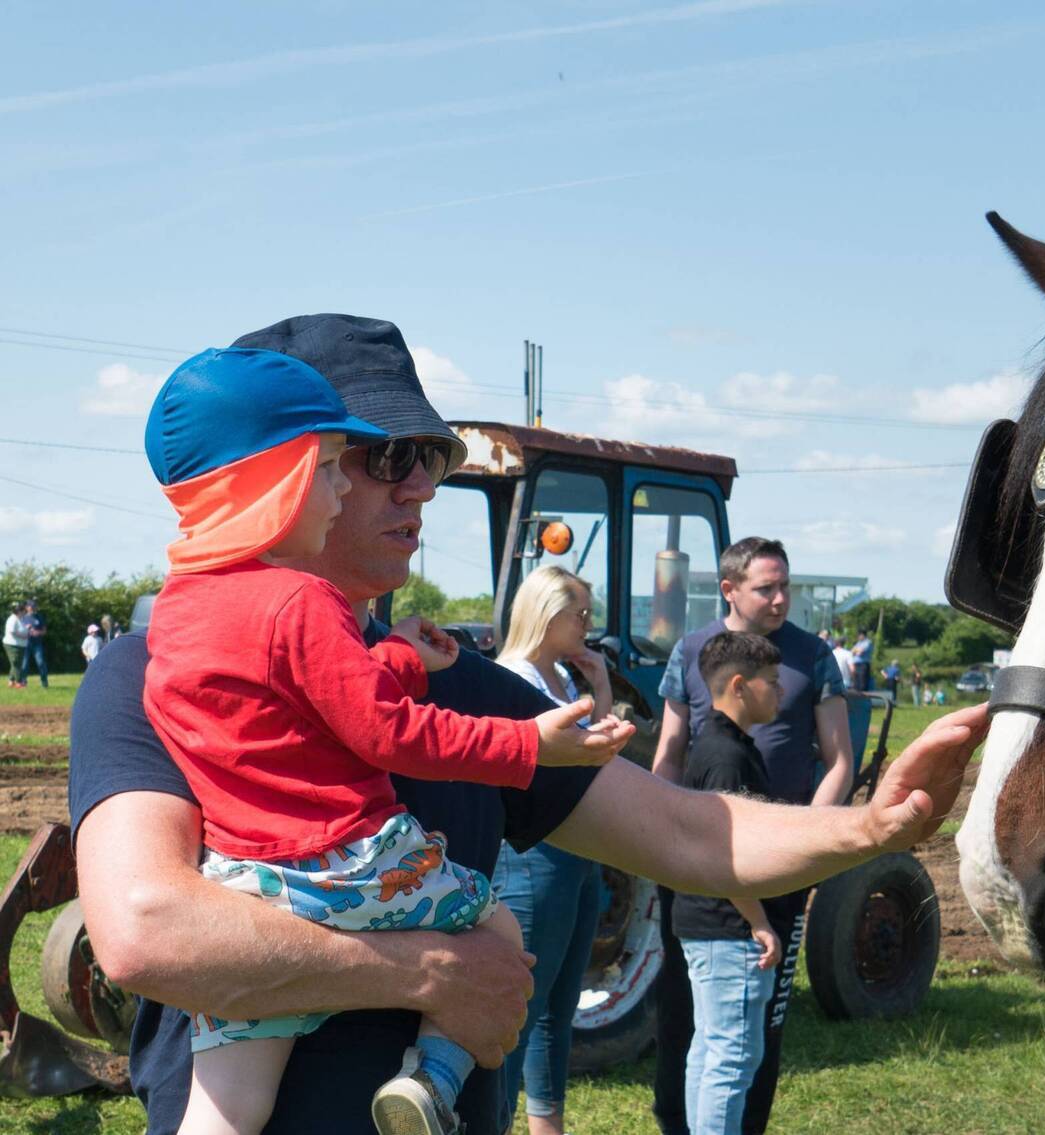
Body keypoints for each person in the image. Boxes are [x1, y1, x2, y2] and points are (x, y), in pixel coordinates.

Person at [69, 312, 987, 1135]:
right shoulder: (159, 673)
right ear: (286, 473)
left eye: (431, 457)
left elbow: (687, 831)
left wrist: (872, 824)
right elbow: (147, 929)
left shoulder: (464, 685)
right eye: (386, 454)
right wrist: (433, 973)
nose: (418, 487)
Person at [139, 346, 629, 1135]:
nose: (342, 486)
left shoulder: (177, 611)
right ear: (276, 479)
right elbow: (382, 730)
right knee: (497, 931)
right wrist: (529, 743)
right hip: (356, 865)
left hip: (247, 891)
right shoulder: (302, 599)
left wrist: (397, 655)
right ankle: (429, 1082)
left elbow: (306, 707)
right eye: (331, 466)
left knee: (226, 1103)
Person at [650, 537, 852, 1135]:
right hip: (698, 861)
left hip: (776, 865)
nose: (781, 598)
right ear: (729, 589)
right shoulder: (690, 652)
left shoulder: (814, 657)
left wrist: (807, 844)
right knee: (688, 1013)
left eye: (785, 585)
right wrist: (656, 842)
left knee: (757, 1020)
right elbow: (667, 753)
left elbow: (838, 760)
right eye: (767, 587)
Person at [491, 564, 612, 1135]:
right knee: (520, 1012)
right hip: (534, 861)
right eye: (580, 613)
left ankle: (547, 1126)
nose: (588, 624)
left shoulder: (561, 676)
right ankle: (496, 1119)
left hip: (574, 858)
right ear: (546, 613)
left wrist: (601, 690)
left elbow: (595, 764)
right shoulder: (514, 677)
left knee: (558, 1010)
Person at [674, 632, 786, 1135]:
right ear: (741, 686)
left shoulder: (720, 743)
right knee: (732, 1058)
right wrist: (759, 920)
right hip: (728, 928)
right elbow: (726, 856)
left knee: (712, 1049)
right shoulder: (727, 757)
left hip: (708, 926)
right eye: (773, 681)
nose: (781, 690)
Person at [21, 599, 48, 688]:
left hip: (37, 644)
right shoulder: (23, 618)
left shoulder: (39, 617)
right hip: (26, 644)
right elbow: (19, 631)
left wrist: (38, 633)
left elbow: (44, 631)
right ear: (27, 607)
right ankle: (23, 682)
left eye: (34, 606)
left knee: (40, 662)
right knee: (24, 664)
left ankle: (44, 682)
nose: (32, 608)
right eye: (30, 606)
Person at [4, 602, 25, 688]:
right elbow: (12, 632)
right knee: (15, 662)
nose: (25, 612)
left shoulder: (21, 619)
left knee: (17, 663)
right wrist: (23, 636)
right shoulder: (12, 619)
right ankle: (19, 682)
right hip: (11, 644)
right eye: (23, 611)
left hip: (21, 645)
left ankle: (11, 681)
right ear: (19, 611)